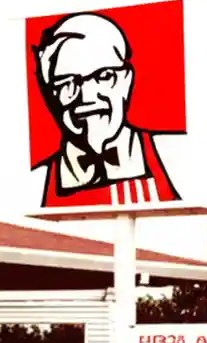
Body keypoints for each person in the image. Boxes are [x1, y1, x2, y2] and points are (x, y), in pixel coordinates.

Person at [31, 12, 180, 208]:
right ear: (52, 94)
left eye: (103, 76)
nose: (87, 96)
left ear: (126, 81)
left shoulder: (173, 156)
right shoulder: (36, 183)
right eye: (68, 83)